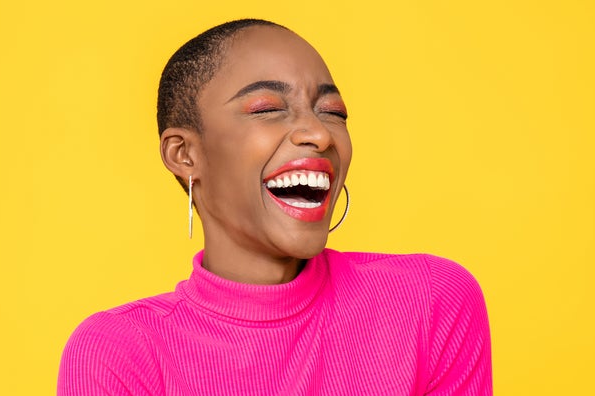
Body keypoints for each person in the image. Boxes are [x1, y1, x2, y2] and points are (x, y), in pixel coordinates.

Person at [58, 19, 492, 395]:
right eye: (267, 108)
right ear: (185, 154)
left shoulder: (430, 302)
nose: (319, 134)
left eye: (333, 112)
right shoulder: (120, 355)